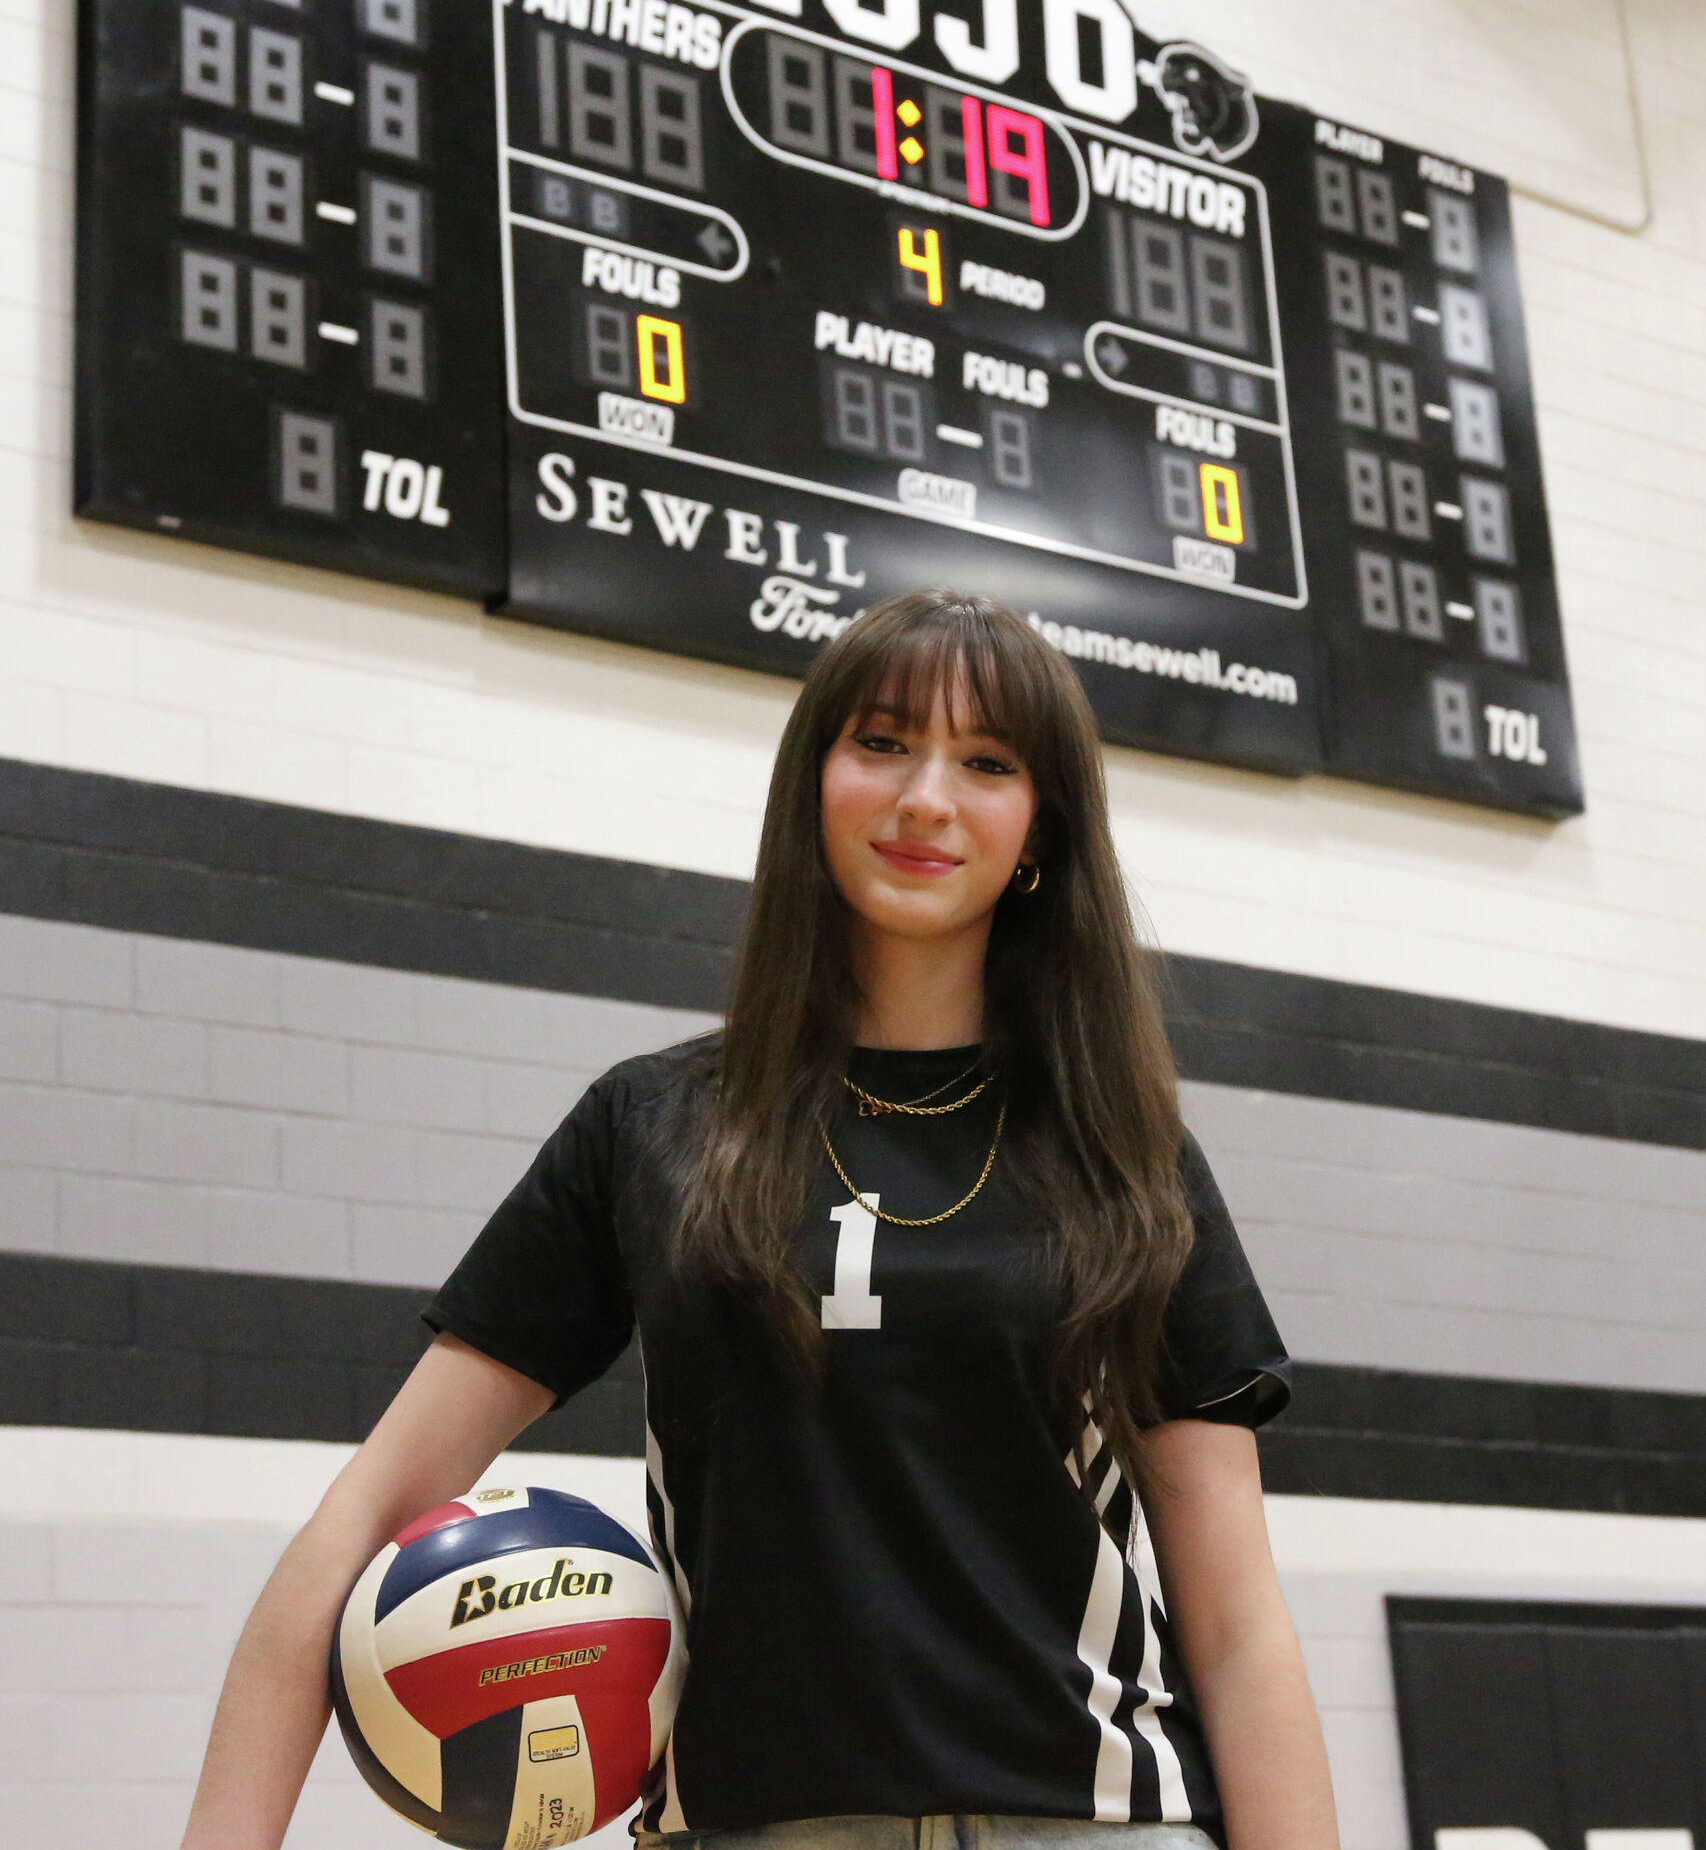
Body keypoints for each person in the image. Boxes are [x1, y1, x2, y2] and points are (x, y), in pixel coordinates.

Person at [181, 588, 1339, 1850]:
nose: (925, 797)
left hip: (1097, 1822)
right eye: (883, 741)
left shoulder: (1125, 1149)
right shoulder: (652, 1124)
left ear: (1038, 832)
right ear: (812, 780)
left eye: (987, 761)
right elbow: (361, 1518)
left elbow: (1233, 1624)